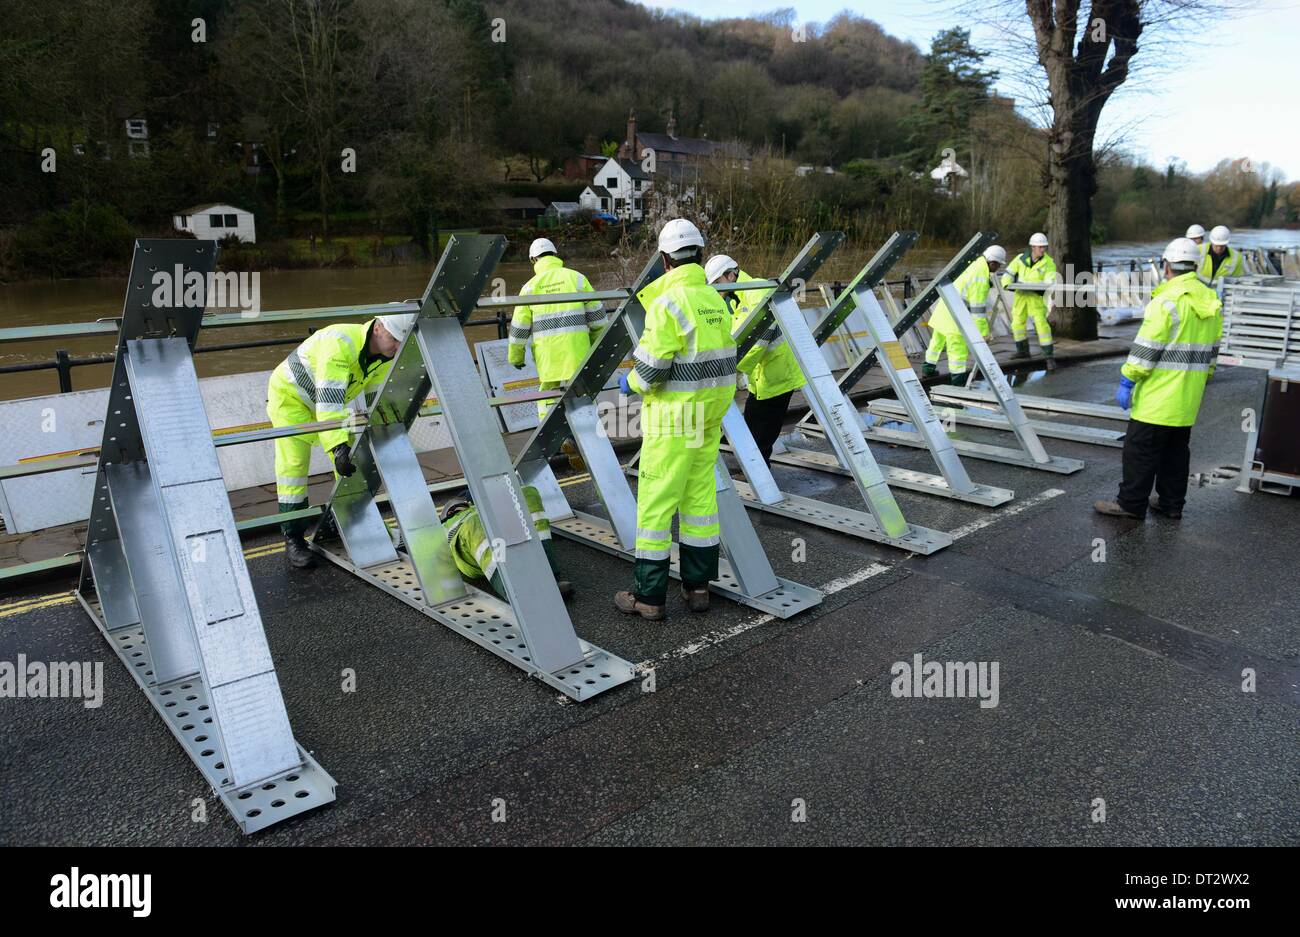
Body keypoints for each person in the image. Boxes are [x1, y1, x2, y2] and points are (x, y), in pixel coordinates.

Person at [614, 219, 737, 620]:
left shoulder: (667, 303)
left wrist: (629, 382)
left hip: (674, 421)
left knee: (655, 505)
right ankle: (698, 587)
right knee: (700, 501)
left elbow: (650, 372)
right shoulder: (714, 300)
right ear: (701, 254)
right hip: (709, 417)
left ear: (665, 259)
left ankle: (648, 597)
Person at [267, 313, 415, 568]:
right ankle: (293, 538)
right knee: (293, 468)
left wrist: (385, 424)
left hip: (326, 403)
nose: (398, 347)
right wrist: (338, 447)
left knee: (350, 466)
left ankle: (347, 521)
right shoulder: (340, 344)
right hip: (291, 399)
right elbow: (329, 402)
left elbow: (374, 397)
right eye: (395, 339)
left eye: (402, 342)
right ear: (378, 329)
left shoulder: (382, 354)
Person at [1095, 237, 1223, 520]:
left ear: (1166, 266)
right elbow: (1213, 352)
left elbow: (1145, 351)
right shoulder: (1211, 300)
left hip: (1157, 398)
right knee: (1176, 453)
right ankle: (1171, 504)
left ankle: (1130, 504)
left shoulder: (1165, 301)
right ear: (1194, 266)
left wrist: (1128, 379)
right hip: (1187, 399)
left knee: (1139, 451)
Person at [706, 253, 806, 464]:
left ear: (730, 276)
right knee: (757, 428)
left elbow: (757, 340)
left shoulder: (756, 291)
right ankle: (759, 476)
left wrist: (731, 367)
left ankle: (762, 483)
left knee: (759, 435)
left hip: (776, 375)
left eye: (717, 282)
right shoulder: (741, 295)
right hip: (766, 374)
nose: (716, 288)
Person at [508, 238, 606, 419]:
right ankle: (589, 432)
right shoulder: (577, 278)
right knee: (583, 392)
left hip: (548, 358)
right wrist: (594, 347)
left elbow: (519, 329)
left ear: (533, 260)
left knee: (547, 395)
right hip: (578, 353)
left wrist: (516, 357)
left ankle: (552, 437)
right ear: (555, 255)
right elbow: (599, 321)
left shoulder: (529, 288)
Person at [439, 486, 572, 600]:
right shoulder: (449, 525)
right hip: (472, 553)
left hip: (500, 540)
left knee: (526, 493)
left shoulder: (476, 507)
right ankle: (517, 595)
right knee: (475, 524)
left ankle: (548, 576)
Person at [924, 244, 1006, 385]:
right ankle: (958, 382)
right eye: (998, 265)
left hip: (944, 309)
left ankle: (928, 369)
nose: (998, 269)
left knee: (936, 342)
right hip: (956, 317)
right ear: (992, 262)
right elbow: (977, 309)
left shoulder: (973, 264)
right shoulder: (981, 276)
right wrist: (984, 333)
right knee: (958, 350)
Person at [1003, 232, 1057, 366]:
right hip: (1021, 297)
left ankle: (1048, 356)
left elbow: (1050, 281)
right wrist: (1007, 284)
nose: (1043, 249)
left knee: (1042, 326)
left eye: (1044, 247)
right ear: (1033, 247)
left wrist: (1039, 287)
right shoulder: (1020, 259)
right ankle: (1022, 351)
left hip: (1036, 299)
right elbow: (1008, 273)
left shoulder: (1048, 263)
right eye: (1040, 247)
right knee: (1017, 324)